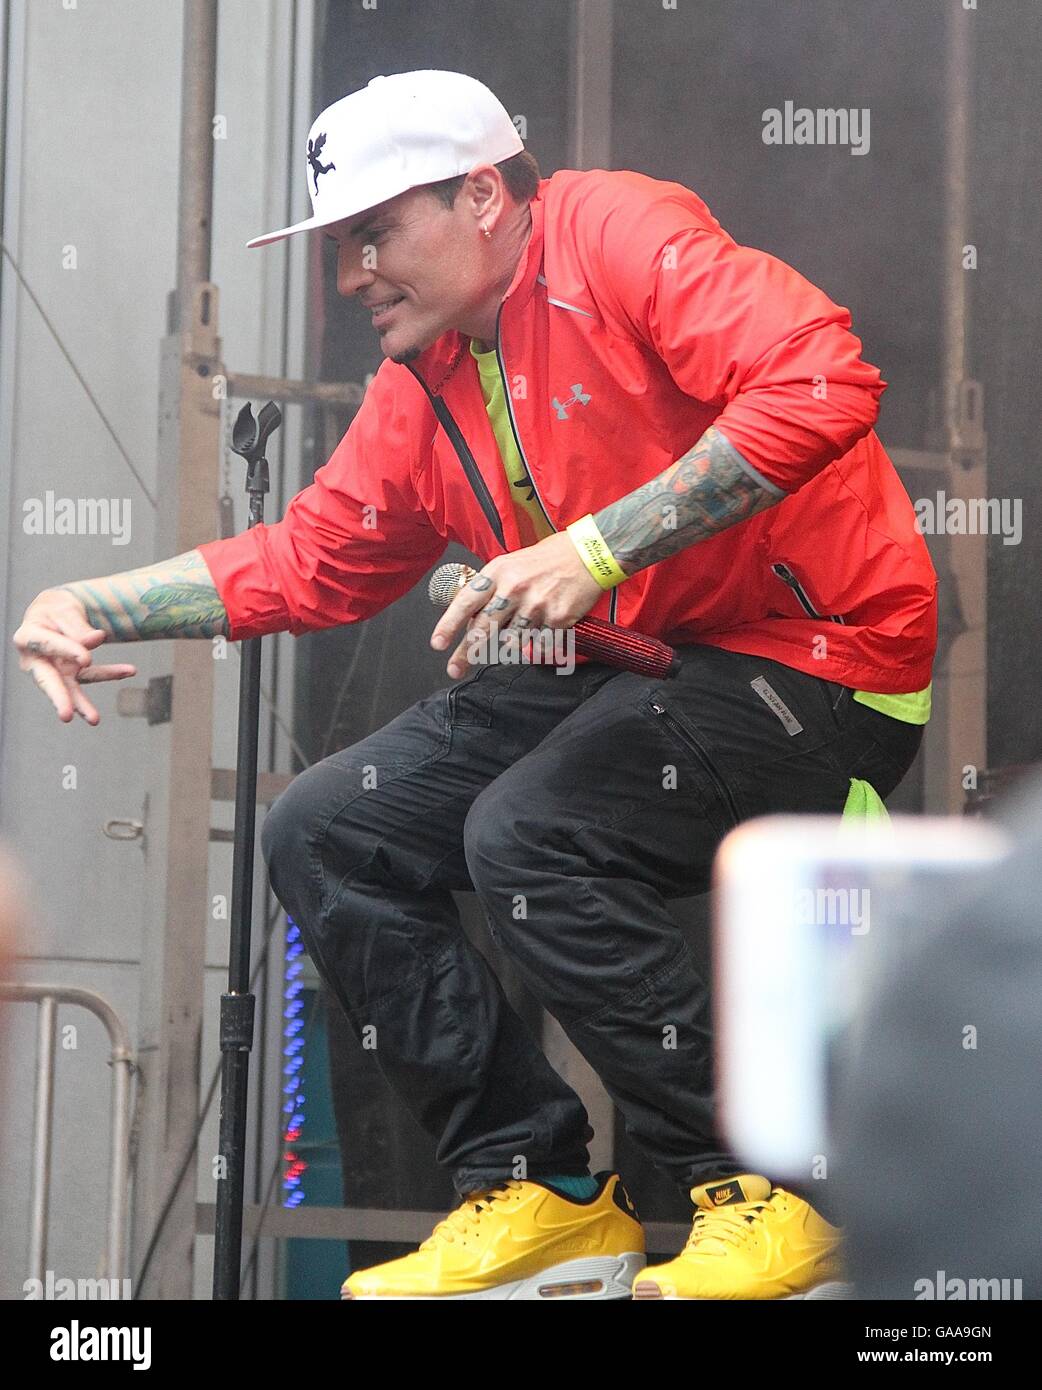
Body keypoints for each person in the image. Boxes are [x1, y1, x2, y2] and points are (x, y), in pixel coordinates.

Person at [12, 70, 936, 1300]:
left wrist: (594, 548)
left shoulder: (618, 230)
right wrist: (89, 601)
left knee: (531, 829)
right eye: (341, 244)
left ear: (486, 196)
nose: (350, 275)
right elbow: (311, 558)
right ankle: (540, 1190)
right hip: (637, 665)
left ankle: (776, 1191)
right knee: (327, 826)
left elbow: (822, 379)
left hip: (825, 660)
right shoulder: (423, 382)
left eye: (374, 233)